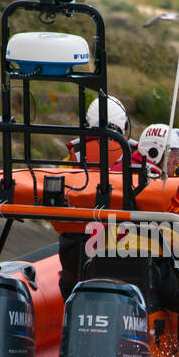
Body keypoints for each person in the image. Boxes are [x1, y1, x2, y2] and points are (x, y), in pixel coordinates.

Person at [60, 94, 130, 298]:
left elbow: (61, 183)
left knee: (69, 279)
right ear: (122, 124)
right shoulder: (131, 153)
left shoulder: (75, 154)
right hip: (119, 238)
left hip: (75, 238)